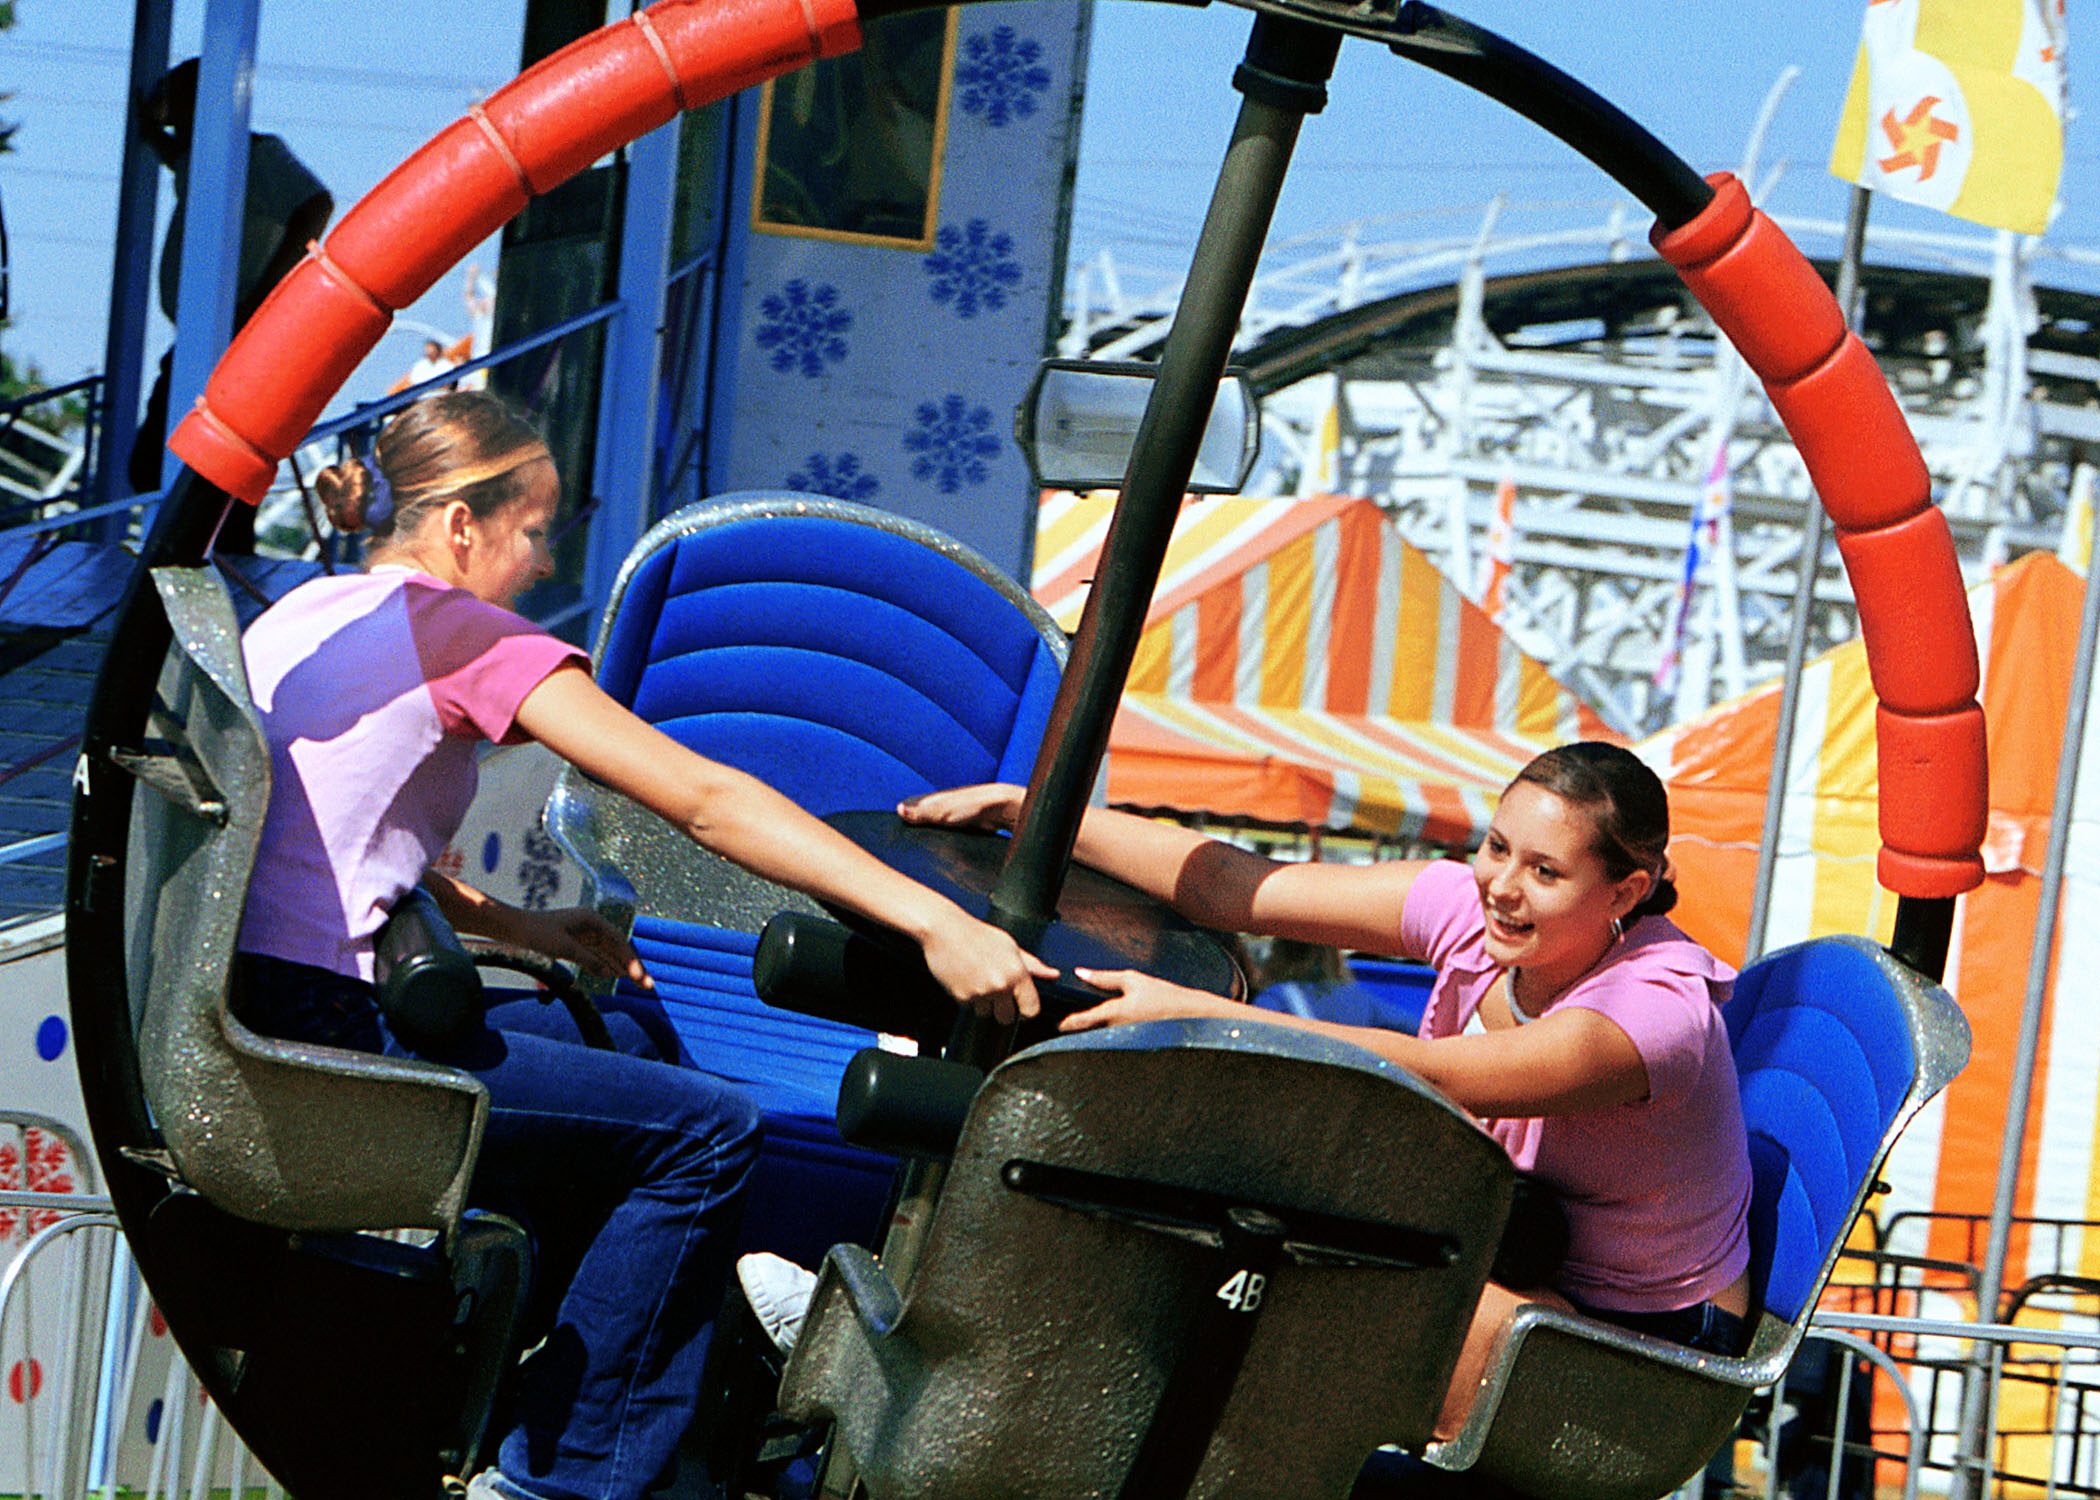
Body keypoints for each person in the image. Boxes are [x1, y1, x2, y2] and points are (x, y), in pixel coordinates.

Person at [230, 391, 1054, 1500]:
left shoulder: (308, 612)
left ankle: (530, 1379)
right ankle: (563, 1479)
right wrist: (936, 920)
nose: (542, 563)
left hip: (263, 1004)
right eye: (536, 531)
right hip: (339, 1033)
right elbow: (706, 801)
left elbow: (320, 841)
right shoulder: (464, 635)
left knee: (632, 1035)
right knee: (709, 1134)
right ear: (462, 526)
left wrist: (512, 925)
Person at [898, 741, 1750, 1441]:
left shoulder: (1654, 1013)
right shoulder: (1478, 916)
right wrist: (1032, 812)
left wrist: (1198, 1012)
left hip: (1650, 1341)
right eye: (1496, 848)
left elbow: (1429, 1074)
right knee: (1235, 1238)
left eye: (1545, 872)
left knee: (1308, 1307)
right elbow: (1238, 888)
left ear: (1626, 891)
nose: (1502, 885)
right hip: (1515, 1245)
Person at [129, 57, 335, 550]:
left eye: (174, 97)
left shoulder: (257, 154)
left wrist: (265, 293)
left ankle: (218, 564)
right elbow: (173, 154)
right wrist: (150, 129)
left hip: (235, 335)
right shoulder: (203, 157)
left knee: (203, 472)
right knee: (169, 466)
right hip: (205, 335)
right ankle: (209, 557)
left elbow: (315, 203)